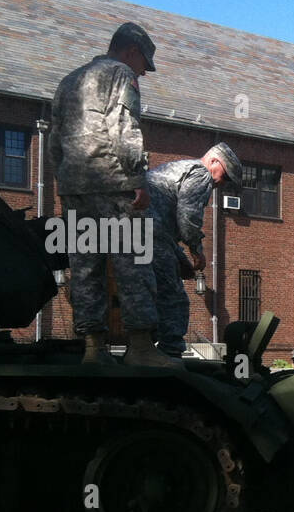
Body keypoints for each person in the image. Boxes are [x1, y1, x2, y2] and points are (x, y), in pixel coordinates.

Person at [49, 22, 176, 368]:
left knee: (85, 267)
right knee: (133, 262)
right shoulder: (120, 73)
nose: (143, 73)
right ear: (131, 51)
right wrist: (137, 178)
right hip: (115, 183)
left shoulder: (69, 81)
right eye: (144, 65)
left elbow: (54, 140)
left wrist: (64, 181)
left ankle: (93, 349)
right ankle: (140, 348)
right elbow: (124, 126)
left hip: (76, 188)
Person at [145, 144, 242, 357]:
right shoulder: (201, 173)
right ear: (214, 162)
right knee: (174, 298)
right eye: (224, 177)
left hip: (142, 232)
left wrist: (181, 258)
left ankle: (145, 345)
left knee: (148, 291)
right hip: (152, 233)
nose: (221, 184)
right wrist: (197, 250)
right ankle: (170, 351)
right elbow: (188, 215)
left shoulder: (179, 167)